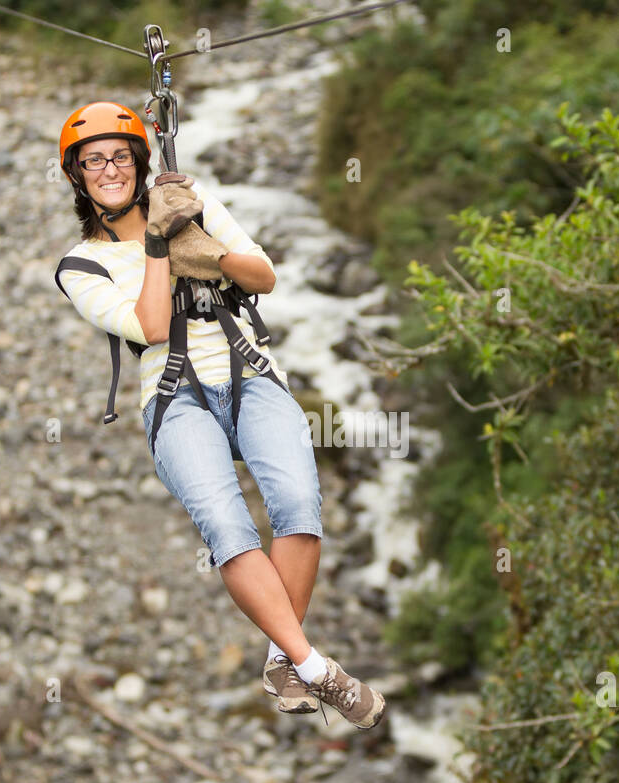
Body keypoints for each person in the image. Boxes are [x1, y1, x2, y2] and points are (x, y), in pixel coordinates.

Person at [54, 102, 385, 729]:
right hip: (175, 396)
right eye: (94, 161)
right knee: (228, 528)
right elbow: (151, 325)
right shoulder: (81, 266)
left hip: (248, 373)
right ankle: (315, 668)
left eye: (120, 156)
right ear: (77, 176)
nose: (109, 169)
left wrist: (206, 249)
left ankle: (281, 658)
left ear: (139, 162)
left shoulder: (191, 202)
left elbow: (262, 277)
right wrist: (159, 244)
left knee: (297, 503)